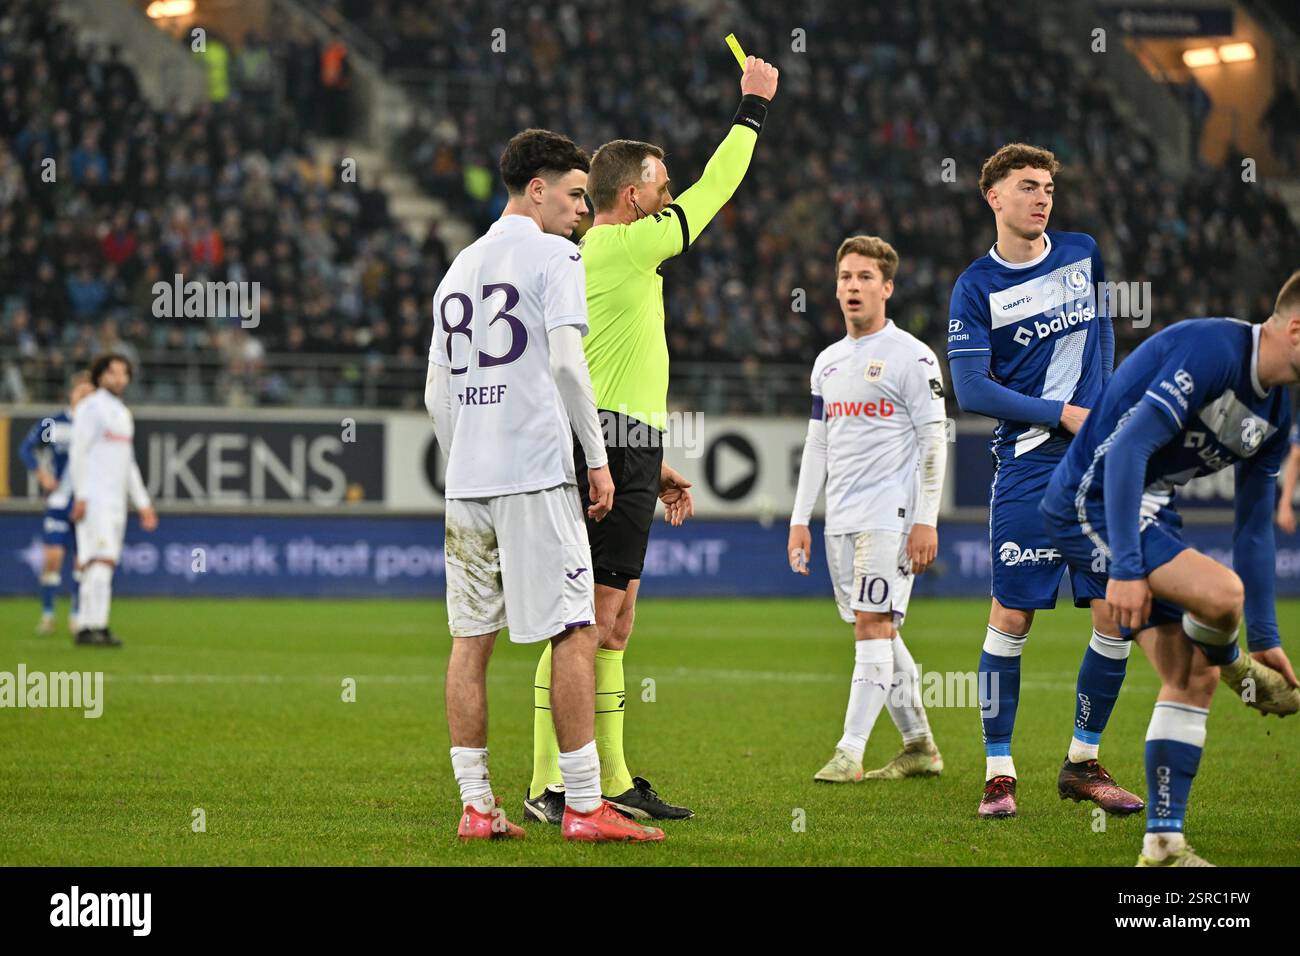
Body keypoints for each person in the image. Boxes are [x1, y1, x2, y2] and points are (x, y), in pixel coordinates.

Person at [524, 55, 780, 825]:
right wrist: (753, 108)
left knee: (613, 618)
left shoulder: (598, 258)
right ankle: (550, 784)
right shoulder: (623, 244)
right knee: (585, 617)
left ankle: (611, 776)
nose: (670, 194)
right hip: (606, 443)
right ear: (633, 196)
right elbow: (716, 191)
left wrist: (650, 456)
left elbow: (599, 367)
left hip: (623, 438)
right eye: (661, 184)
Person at [427, 127, 663, 842]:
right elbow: (567, 364)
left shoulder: (458, 267)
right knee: (575, 626)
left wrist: (465, 455)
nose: (582, 210)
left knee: (471, 642)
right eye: (573, 194)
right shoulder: (555, 255)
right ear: (537, 189)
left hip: (468, 479)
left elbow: (437, 390)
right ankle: (587, 806)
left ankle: (476, 807)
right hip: (534, 473)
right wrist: (596, 460)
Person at [1041, 273, 1300, 866]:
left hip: (1151, 509)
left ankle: (1162, 843)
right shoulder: (1213, 350)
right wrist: (1127, 569)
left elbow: (1254, 528)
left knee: (1191, 680)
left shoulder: (1278, 416)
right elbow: (1128, 449)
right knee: (1220, 592)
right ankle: (1231, 662)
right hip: (1095, 497)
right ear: (1295, 329)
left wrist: (1267, 640)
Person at [948, 143, 1142, 819]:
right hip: (1029, 468)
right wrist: (1061, 412)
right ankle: (999, 775)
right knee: (1012, 617)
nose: (1042, 197)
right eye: (1027, 186)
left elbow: (1105, 335)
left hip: (1095, 467)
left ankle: (1083, 762)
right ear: (993, 197)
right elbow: (971, 387)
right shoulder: (976, 287)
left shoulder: (1082, 252)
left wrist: (1109, 410)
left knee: (1117, 613)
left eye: (1049, 188)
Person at [788, 236, 947, 783]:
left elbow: (933, 441)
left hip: (892, 516)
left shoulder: (913, 356)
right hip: (841, 520)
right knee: (874, 625)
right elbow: (818, 446)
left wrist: (927, 516)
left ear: (887, 287)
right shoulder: (828, 362)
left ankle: (849, 752)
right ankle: (919, 746)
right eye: (845, 277)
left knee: (873, 624)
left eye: (864, 277)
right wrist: (799, 519)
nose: (853, 286)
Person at [69, 355, 158, 647]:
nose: (119, 378)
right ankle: (93, 624)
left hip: (116, 500)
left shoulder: (122, 413)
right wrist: (81, 495)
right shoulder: (91, 408)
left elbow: (127, 462)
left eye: (123, 373)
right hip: (94, 497)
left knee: (97, 562)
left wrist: (142, 502)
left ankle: (90, 625)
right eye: (112, 373)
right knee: (100, 561)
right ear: (99, 376)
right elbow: (78, 453)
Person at [19, 373, 94, 635]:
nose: (85, 398)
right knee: (54, 557)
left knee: (81, 562)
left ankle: (77, 616)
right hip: (59, 500)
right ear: (71, 394)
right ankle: (48, 614)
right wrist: (42, 474)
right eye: (81, 393)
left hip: (87, 502)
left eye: (90, 394)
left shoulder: (97, 427)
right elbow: (26, 449)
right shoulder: (55, 423)